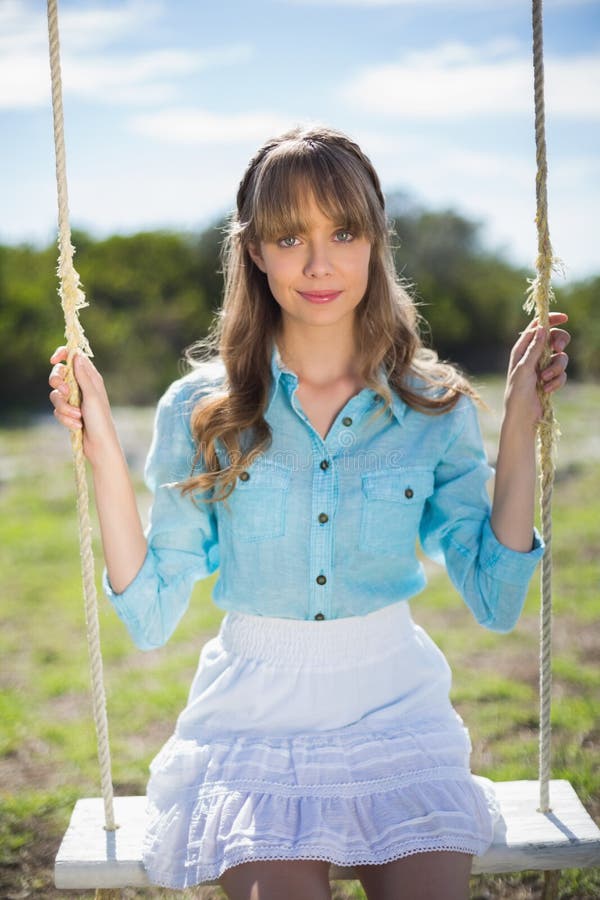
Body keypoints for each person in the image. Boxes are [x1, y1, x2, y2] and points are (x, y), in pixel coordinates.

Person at [49, 125, 569, 900]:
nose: (319, 264)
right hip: (253, 724)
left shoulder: (433, 408)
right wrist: (100, 457)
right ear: (255, 251)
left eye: (344, 232)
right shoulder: (202, 408)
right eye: (289, 237)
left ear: (375, 243)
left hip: (397, 714)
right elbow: (151, 611)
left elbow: (495, 599)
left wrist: (523, 424)